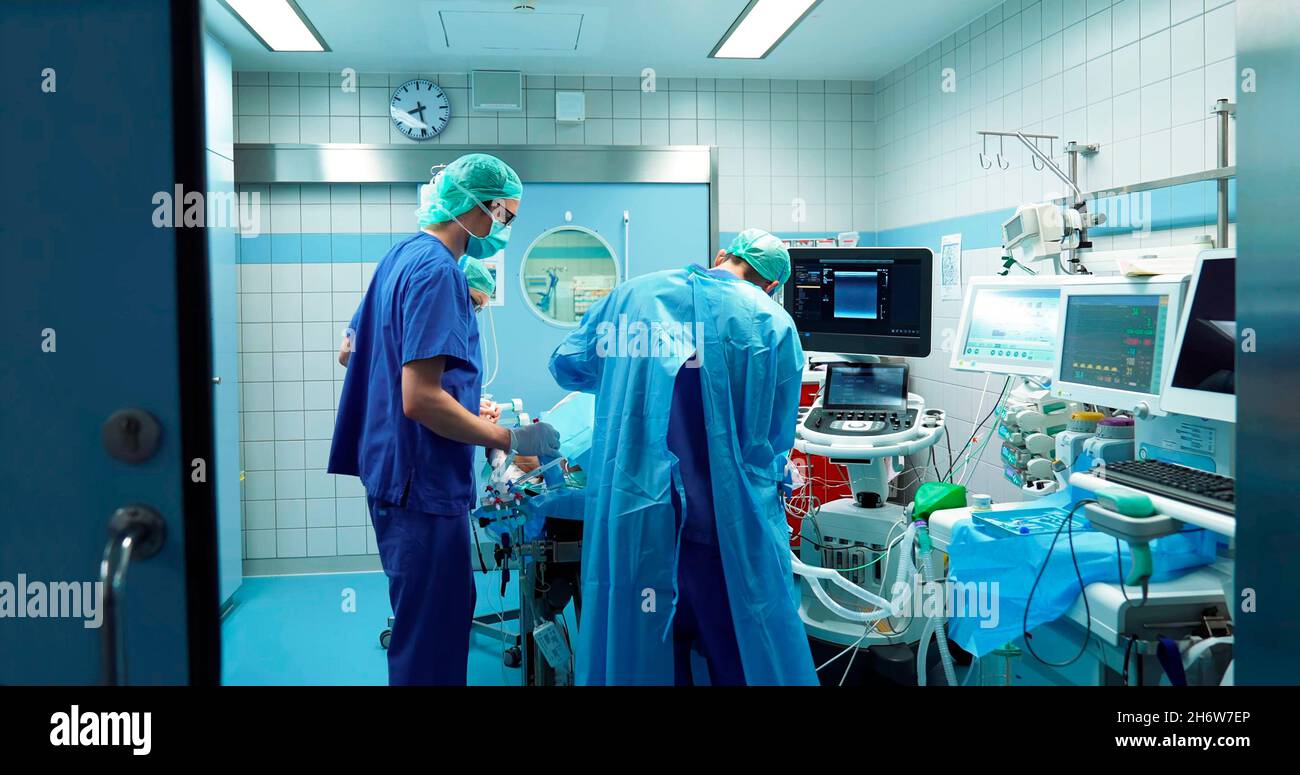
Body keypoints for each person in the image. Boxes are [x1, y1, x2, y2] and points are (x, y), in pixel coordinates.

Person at [329, 153, 559, 686]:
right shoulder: (438, 272)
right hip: (422, 482)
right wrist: (508, 436)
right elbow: (420, 401)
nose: (502, 229)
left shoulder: (401, 257)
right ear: (481, 208)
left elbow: (352, 351)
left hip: (394, 471)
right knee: (434, 631)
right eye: (506, 216)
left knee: (424, 621)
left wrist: (458, 399)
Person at [549, 228, 817, 685]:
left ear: (721, 256)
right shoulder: (772, 322)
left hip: (641, 519)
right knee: (739, 650)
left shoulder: (632, 298)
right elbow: (774, 440)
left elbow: (569, 365)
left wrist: (636, 375)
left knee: (647, 645)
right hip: (728, 532)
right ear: (772, 285)